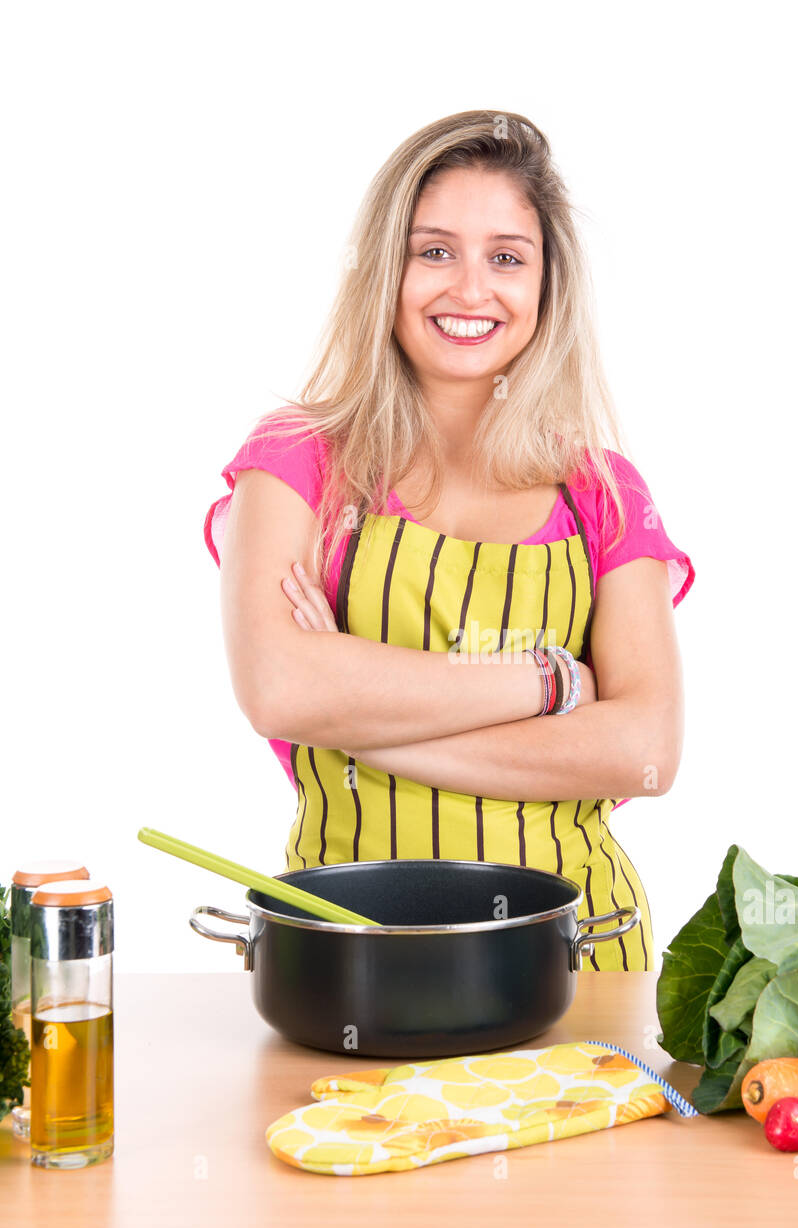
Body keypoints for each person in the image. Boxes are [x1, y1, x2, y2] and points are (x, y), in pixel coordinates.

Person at [204, 110, 694, 970]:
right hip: (350, 964)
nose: (470, 290)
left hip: (578, 969)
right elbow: (280, 687)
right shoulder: (300, 461)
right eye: (435, 251)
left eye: (506, 257)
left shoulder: (604, 495)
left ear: (547, 285)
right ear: (385, 269)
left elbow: (646, 752)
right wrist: (547, 681)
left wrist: (360, 723)